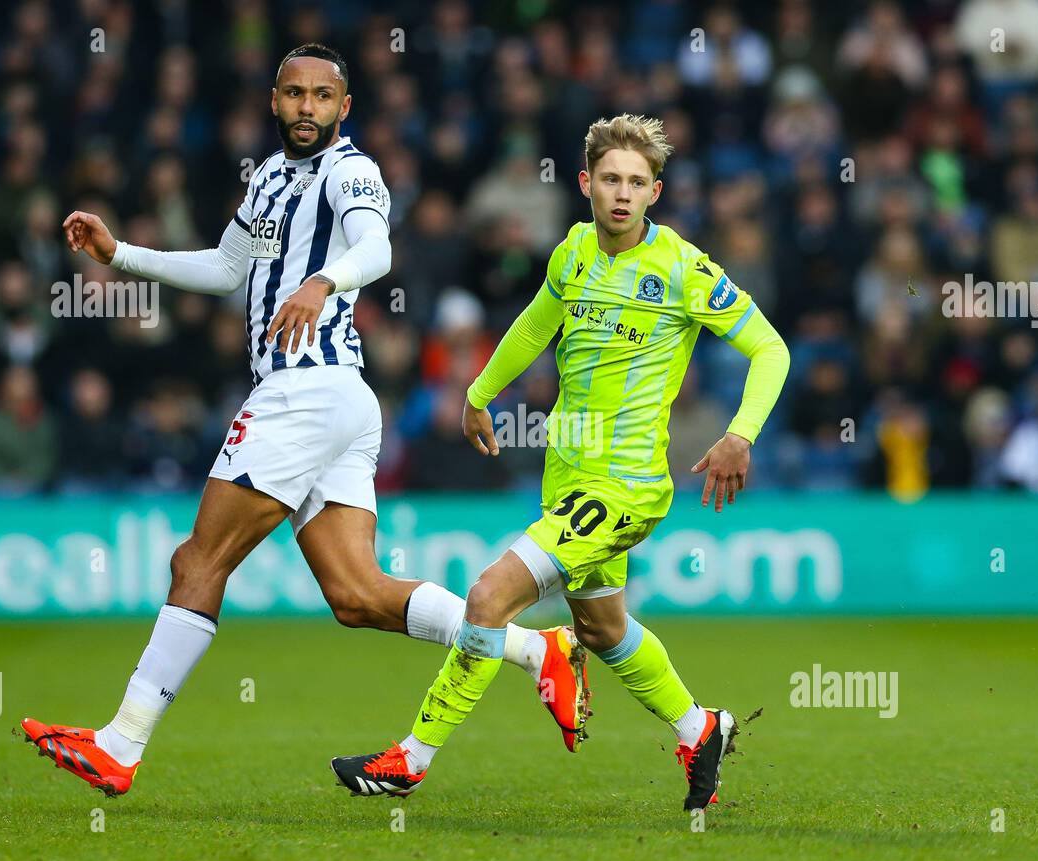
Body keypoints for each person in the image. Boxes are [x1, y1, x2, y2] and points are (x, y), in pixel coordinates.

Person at [20, 44, 586, 799]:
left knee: (197, 563)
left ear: (344, 107)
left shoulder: (351, 172)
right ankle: (535, 650)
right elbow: (225, 270)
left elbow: (377, 247)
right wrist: (121, 255)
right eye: (295, 94)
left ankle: (121, 743)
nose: (308, 108)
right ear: (275, 100)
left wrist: (325, 279)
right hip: (338, 400)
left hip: (304, 389)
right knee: (357, 596)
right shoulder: (266, 182)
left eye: (323, 96)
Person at [332, 114, 790, 810]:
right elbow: (536, 325)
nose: (623, 193)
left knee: (488, 597)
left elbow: (771, 349)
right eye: (611, 178)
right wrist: (480, 392)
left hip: (626, 486)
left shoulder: (683, 269)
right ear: (586, 183)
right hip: (569, 481)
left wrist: (741, 434)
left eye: (637, 182)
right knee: (604, 630)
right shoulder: (572, 253)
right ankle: (701, 730)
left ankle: (411, 759)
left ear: (655, 193)